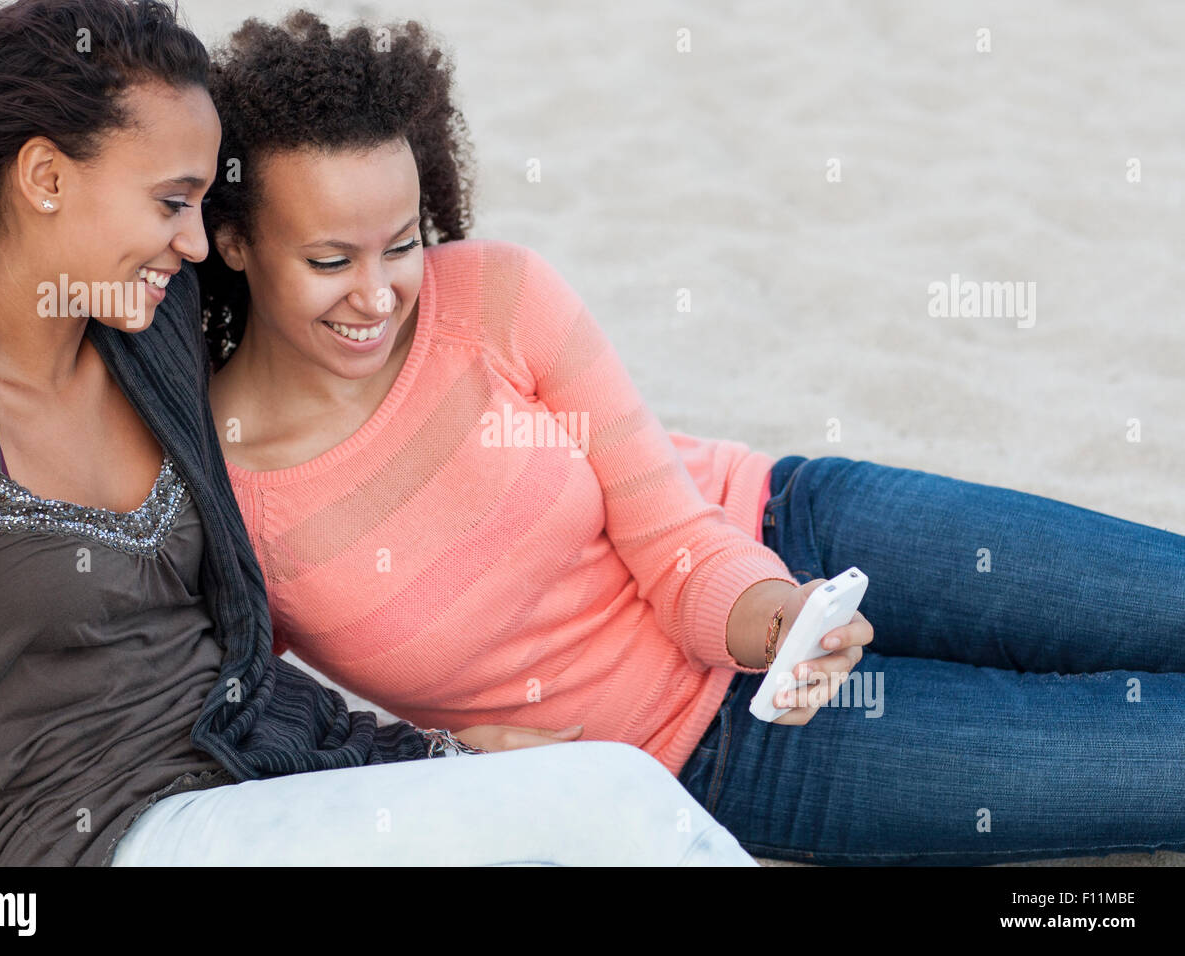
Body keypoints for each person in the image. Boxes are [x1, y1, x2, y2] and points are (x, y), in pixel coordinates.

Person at [202, 10, 1185, 866]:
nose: (378, 295)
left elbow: (670, 533)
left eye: (403, 243)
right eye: (330, 259)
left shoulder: (495, 293)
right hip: (717, 752)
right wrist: (446, 762)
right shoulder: (228, 499)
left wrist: (779, 621)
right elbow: (258, 728)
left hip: (791, 526)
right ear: (235, 240)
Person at [0, 0, 756, 867]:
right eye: (170, 202)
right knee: (610, 799)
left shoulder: (148, 348)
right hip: (113, 840)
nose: (193, 244)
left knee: (594, 794)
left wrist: (434, 760)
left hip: (250, 791)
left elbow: (223, 670)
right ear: (45, 178)